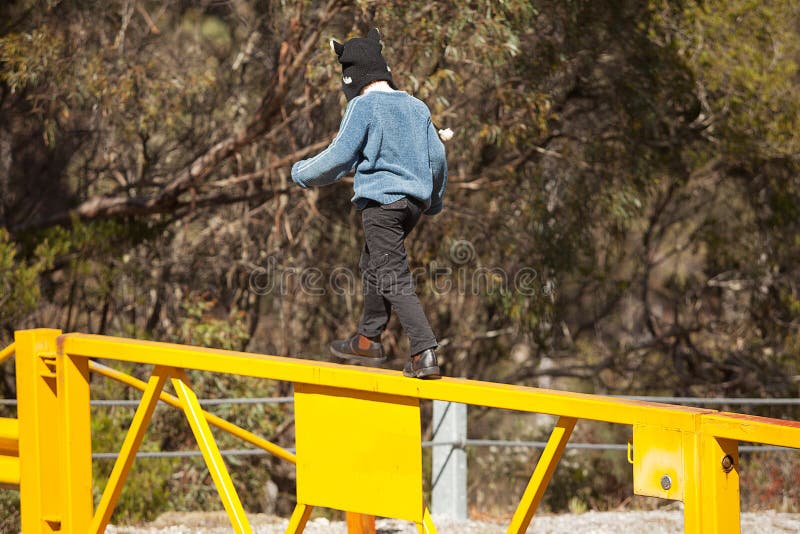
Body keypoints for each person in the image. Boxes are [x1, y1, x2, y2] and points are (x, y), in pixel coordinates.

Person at [291, 28, 447, 379]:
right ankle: (367, 337)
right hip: (411, 207)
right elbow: (437, 157)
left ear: (352, 76)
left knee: (391, 276)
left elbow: (339, 156)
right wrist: (433, 201)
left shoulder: (364, 106)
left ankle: (424, 351)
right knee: (373, 264)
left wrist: (301, 173)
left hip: (382, 206)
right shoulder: (416, 106)